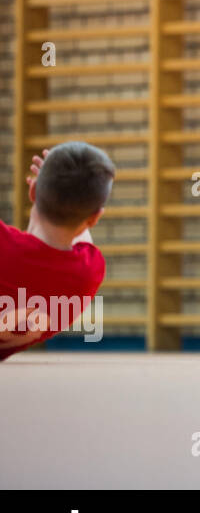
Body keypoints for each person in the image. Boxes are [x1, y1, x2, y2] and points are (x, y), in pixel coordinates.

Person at [0, 143, 115, 361]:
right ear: (95, 218)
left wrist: (50, 183)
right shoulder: (88, 273)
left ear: (32, 191)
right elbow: (37, 259)